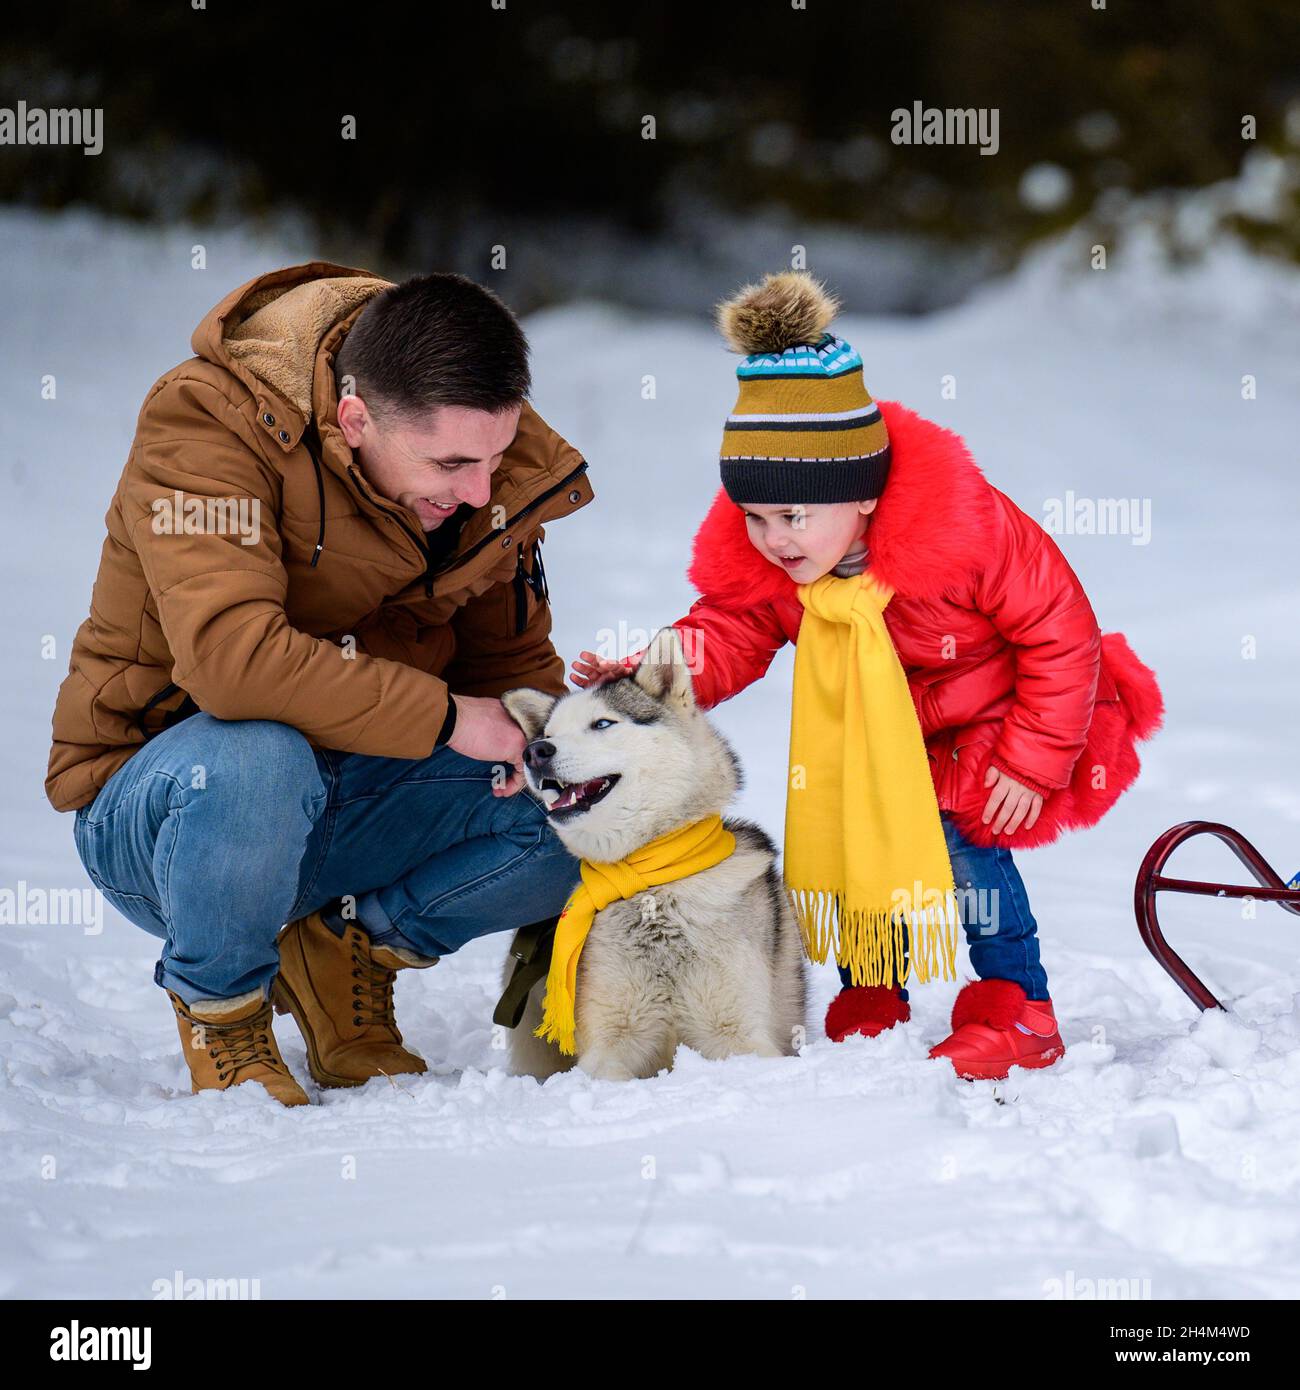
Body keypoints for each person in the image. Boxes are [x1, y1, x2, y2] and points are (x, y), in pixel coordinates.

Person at [572, 271, 1163, 1081]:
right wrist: (651, 676)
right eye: (755, 519)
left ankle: (1018, 1005)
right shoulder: (783, 564)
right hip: (872, 741)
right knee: (853, 845)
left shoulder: (970, 531)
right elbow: (734, 626)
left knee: (965, 848)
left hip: (992, 720)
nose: (775, 540)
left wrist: (1034, 757)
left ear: (865, 499)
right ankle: (873, 990)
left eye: (793, 517)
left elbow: (1061, 636)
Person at [47, 263, 592, 1104]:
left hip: (358, 793)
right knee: (258, 757)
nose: (480, 490)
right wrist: (446, 715)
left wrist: (563, 744)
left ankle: (347, 949)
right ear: (355, 417)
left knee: (582, 807)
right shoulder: (203, 425)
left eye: (494, 456)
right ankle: (222, 1010)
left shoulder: (480, 456)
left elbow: (512, 671)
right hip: (175, 811)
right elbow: (232, 661)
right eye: (450, 463)